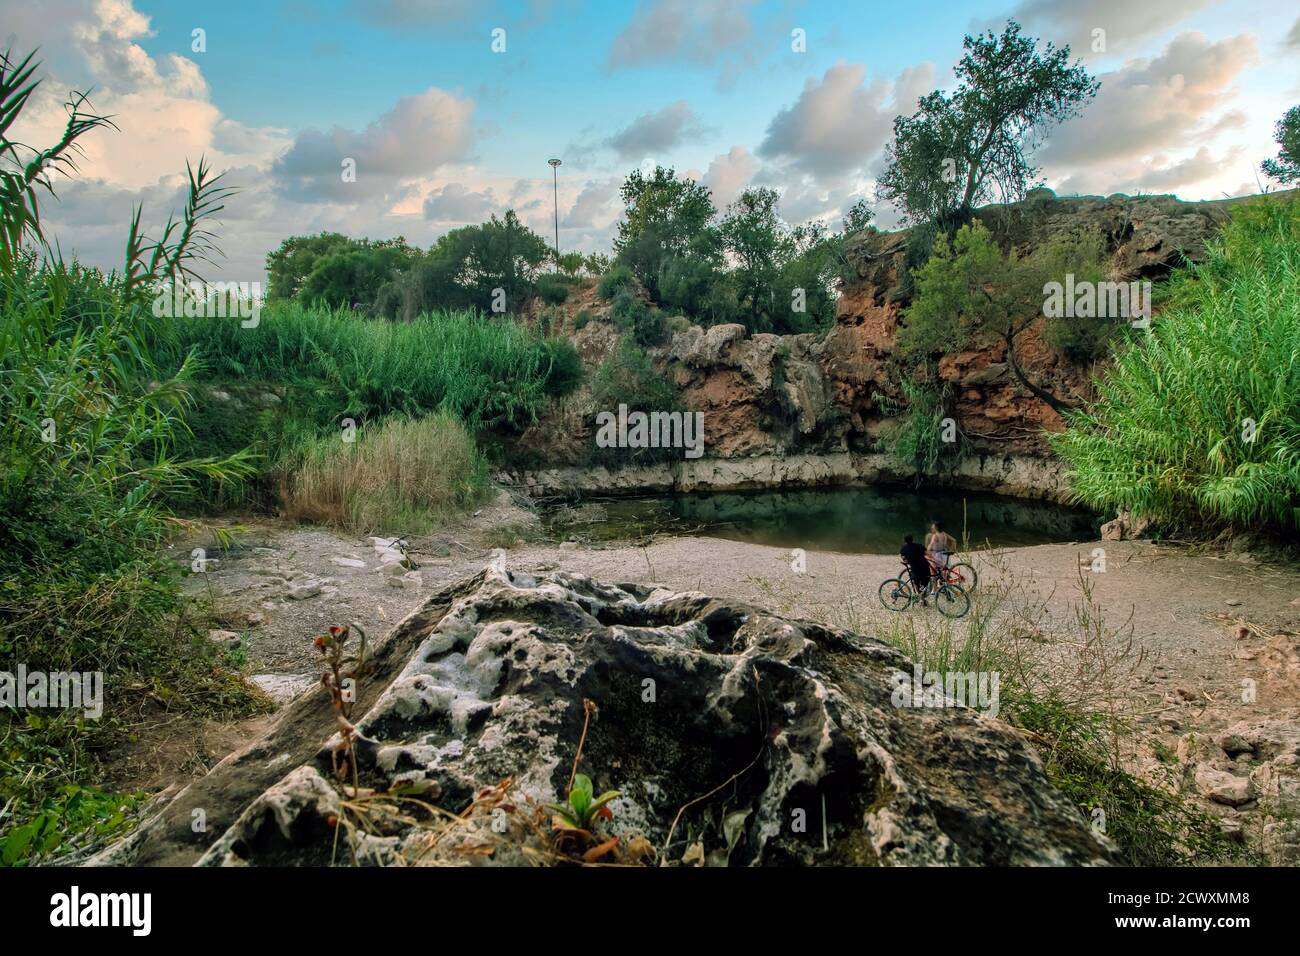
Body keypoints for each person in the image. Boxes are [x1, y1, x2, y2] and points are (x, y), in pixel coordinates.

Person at [900, 534, 931, 603]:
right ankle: (922, 597)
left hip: (914, 568)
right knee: (926, 582)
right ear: (912, 539)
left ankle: (921, 597)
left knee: (916, 582)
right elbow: (928, 554)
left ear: (904, 541)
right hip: (924, 566)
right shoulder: (919, 546)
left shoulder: (903, 548)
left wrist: (906, 561)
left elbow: (903, 557)